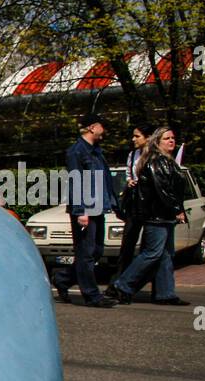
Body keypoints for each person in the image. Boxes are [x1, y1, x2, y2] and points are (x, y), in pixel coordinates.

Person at [106, 126, 189, 306]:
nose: (171, 141)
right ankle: (122, 285)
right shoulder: (156, 161)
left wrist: (175, 209)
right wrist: (177, 209)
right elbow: (163, 190)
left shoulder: (166, 160)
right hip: (156, 215)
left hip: (163, 215)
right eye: (167, 138)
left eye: (173, 138)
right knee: (152, 253)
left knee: (166, 254)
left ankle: (165, 293)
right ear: (157, 142)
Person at [52, 115, 118, 307]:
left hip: (99, 208)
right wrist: (81, 211)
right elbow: (76, 181)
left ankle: (63, 279)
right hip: (85, 210)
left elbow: (104, 181)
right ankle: (92, 295)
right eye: (102, 126)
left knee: (97, 251)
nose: (103, 131)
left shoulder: (97, 151)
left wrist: (113, 204)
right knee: (86, 253)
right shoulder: (76, 151)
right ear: (92, 127)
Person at [114, 123, 151, 278]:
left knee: (149, 245)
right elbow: (129, 173)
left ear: (148, 137)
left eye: (137, 136)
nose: (133, 139)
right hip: (135, 203)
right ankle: (121, 277)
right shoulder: (133, 154)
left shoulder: (154, 155)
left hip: (149, 203)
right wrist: (129, 181)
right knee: (128, 242)